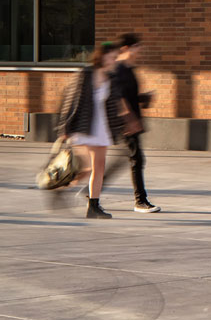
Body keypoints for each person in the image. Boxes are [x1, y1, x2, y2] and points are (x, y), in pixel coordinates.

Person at [54, 40, 126, 219]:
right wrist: (64, 127)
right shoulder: (85, 74)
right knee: (84, 169)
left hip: (101, 128)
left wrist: (122, 125)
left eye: (116, 58)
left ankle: (93, 206)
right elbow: (70, 100)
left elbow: (115, 105)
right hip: (82, 127)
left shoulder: (111, 79)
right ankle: (61, 190)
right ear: (102, 55)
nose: (114, 60)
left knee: (98, 169)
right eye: (112, 57)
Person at [111, 32, 159, 213]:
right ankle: (140, 201)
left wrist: (144, 98)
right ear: (126, 48)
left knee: (125, 161)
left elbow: (130, 96)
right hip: (126, 123)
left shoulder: (129, 69)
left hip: (133, 121)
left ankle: (92, 193)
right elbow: (118, 98)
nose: (140, 50)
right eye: (137, 47)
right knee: (136, 159)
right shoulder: (118, 69)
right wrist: (129, 120)